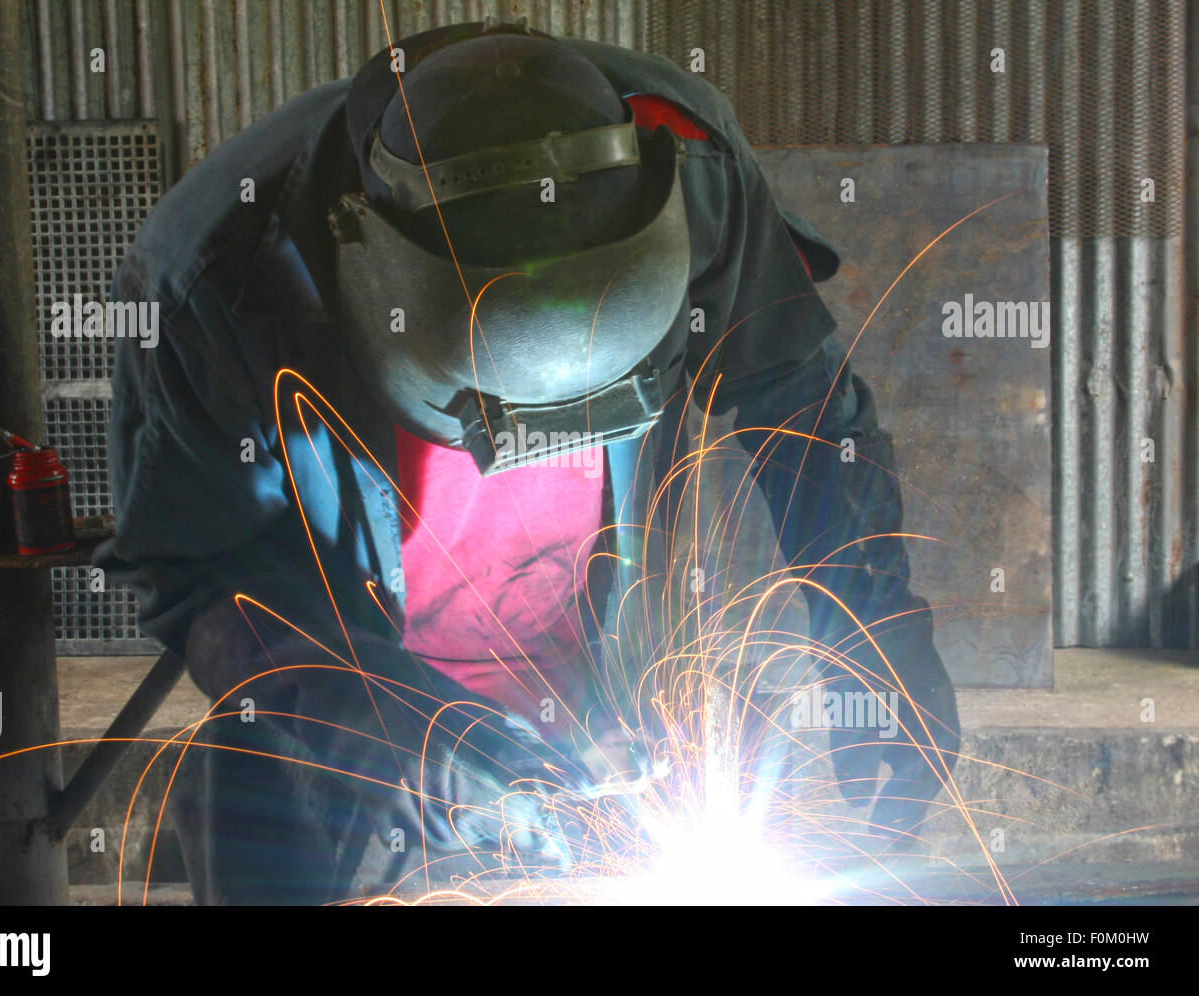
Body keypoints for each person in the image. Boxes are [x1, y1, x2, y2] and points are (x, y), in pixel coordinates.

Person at [96, 19, 960, 904]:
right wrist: (374, 722)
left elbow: (808, 422)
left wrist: (878, 640)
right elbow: (197, 571)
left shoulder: (689, 173)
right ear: (375, 280)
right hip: (339, 694)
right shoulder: (210, 281)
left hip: (591, 670)